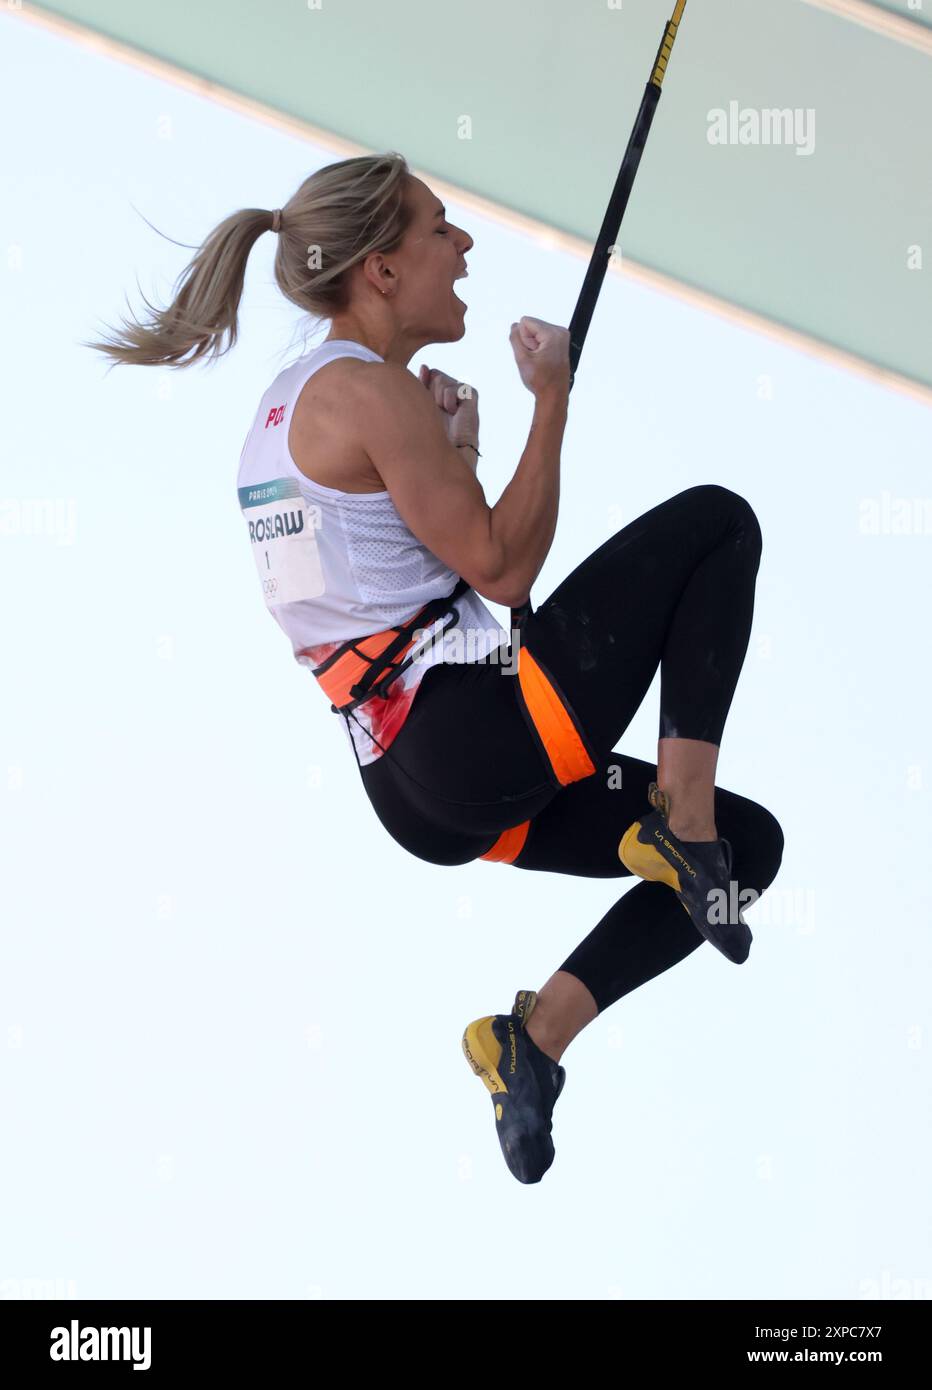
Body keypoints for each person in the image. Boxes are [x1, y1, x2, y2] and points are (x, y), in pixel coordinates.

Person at [88, 151, 784, 1185]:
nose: (461, 248)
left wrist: (455, 452)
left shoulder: (284, 417)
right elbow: (504, 569)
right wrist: (551, 397)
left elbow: (402, 586)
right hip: (468, 734)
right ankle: (679, 827)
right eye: (439, 228)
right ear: (378, 267)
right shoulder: (364, 395)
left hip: (420, 787)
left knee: (751, 848)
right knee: (716, 527)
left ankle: (533, 1040)